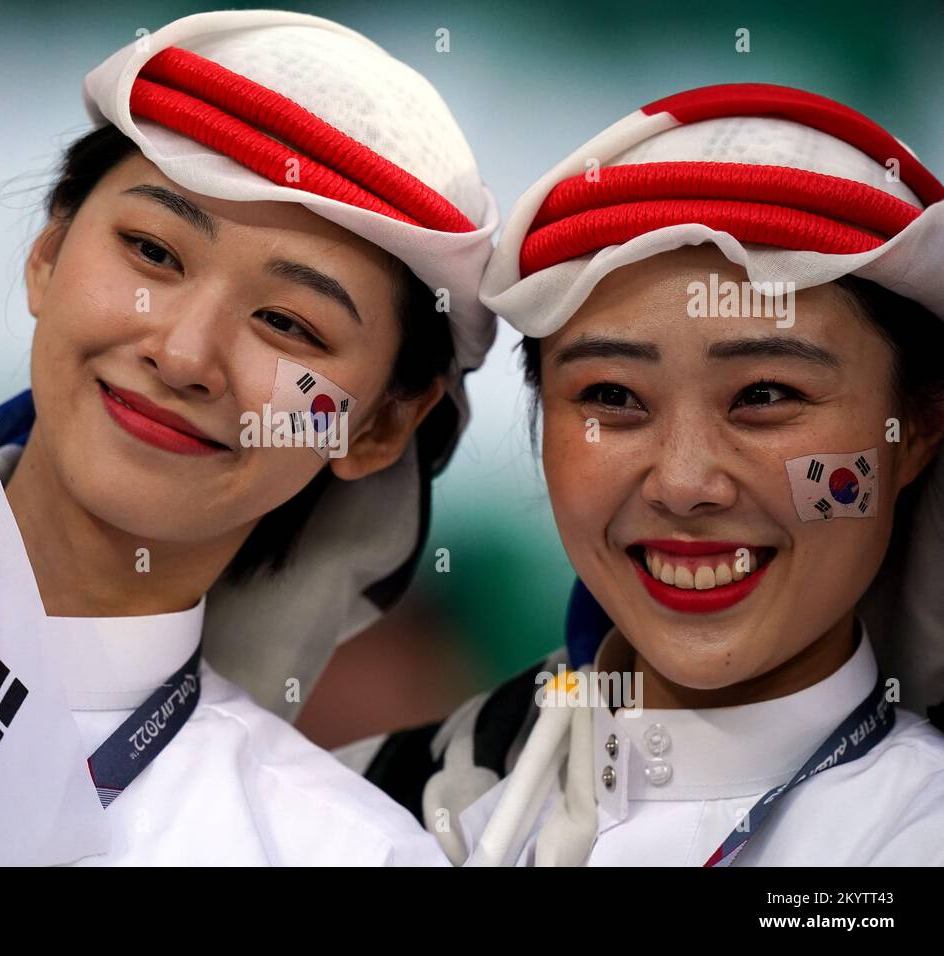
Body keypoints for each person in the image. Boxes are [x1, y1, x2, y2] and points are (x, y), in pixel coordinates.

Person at [350, 83, 944, 866]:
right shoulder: (361, 807)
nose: (684, 482)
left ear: (916, 430)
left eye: (766, 395)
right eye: (612, 396)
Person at [0, 9, 500, 865]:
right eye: (152, 251)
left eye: (288, 323)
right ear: (49, 249)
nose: (184, 356)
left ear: (380, 424)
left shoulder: (334, 851)